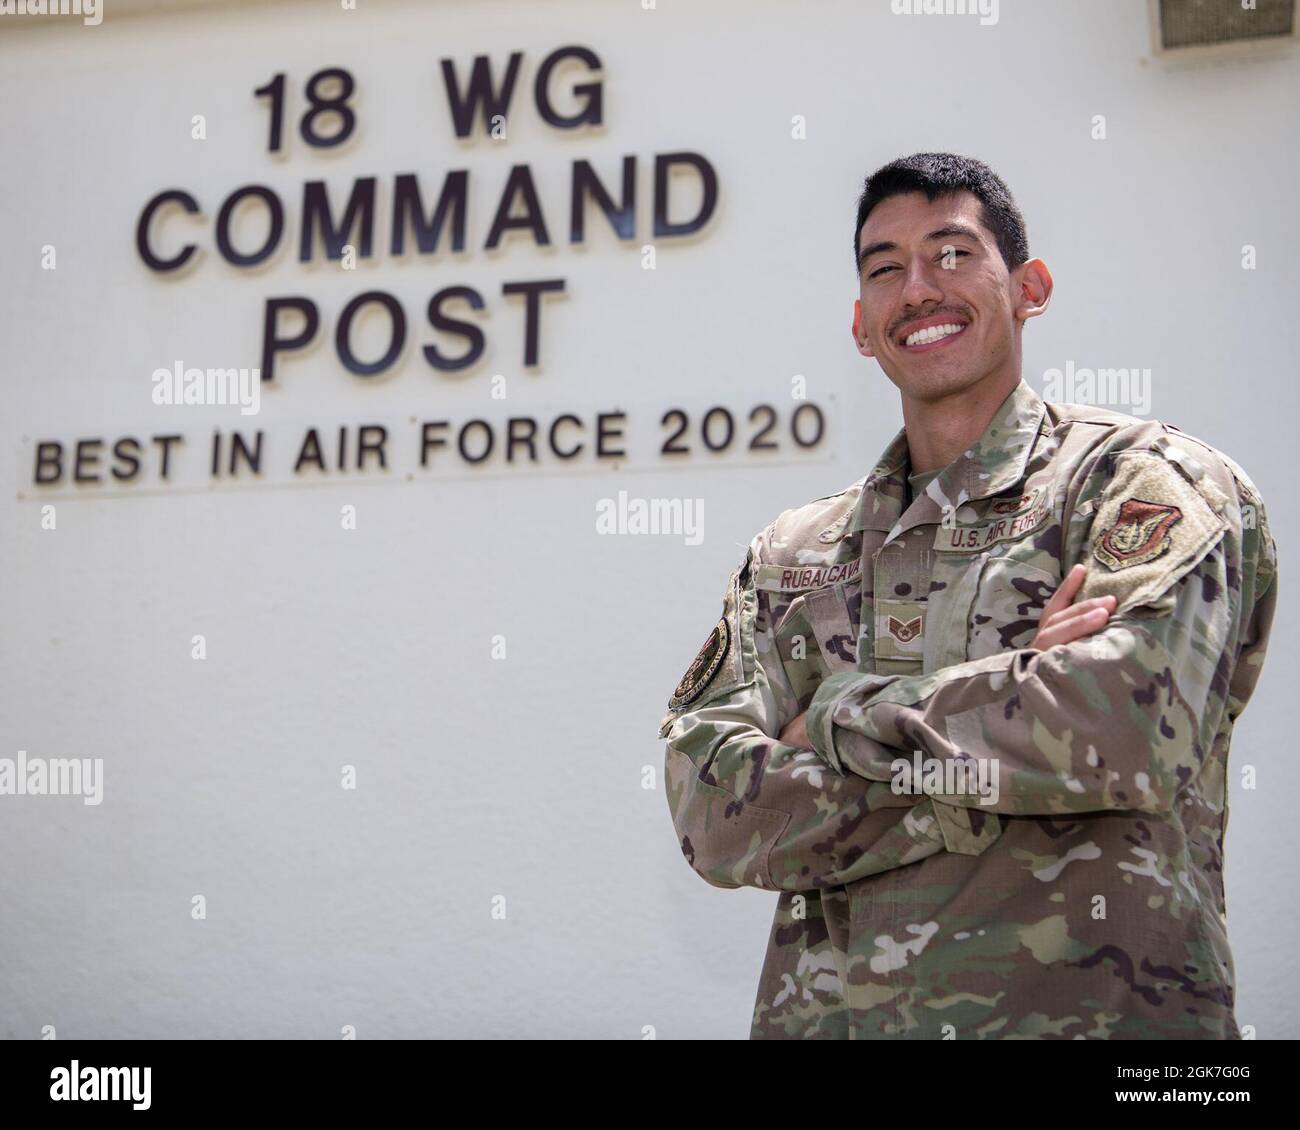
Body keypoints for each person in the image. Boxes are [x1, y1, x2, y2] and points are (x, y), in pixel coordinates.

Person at [658, 152, 1279, 1040]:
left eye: (952, 254)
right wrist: (1016, 706)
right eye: (885, 269)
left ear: (1030, 287)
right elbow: (707, 808)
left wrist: (828, 723)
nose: (918, 288)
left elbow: (1128, 722)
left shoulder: (1139, 482)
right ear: (862, 325)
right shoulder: (794, 555)